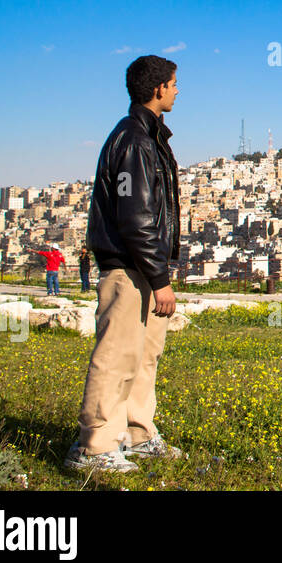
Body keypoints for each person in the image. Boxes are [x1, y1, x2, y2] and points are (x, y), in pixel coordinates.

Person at [65, 55, 185, 473]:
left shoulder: (147, 137)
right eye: (173, 83)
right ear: (157, 89)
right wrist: (160, 277)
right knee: (117, 356)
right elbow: (135, 216)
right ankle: (95, 447)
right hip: (129, 267)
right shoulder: (134, 140)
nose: (177, 90)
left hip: (144, 267)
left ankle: (136, 433)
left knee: (143, 356)